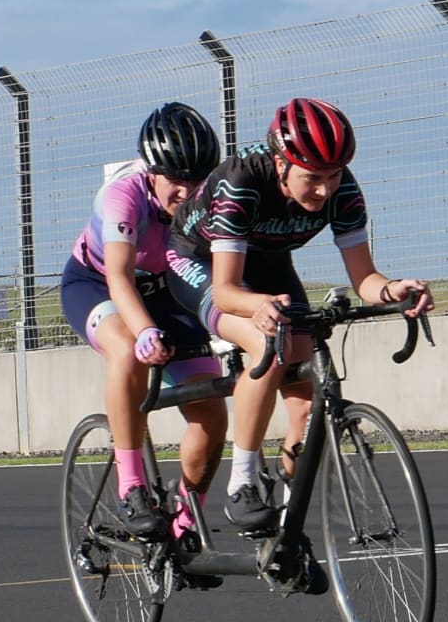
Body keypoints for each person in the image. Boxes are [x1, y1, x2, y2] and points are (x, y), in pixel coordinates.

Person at [166, 97, 434, 537]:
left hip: (269, 264)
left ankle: (287, 527)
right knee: (267, 345)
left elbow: (365, 278)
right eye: (312, 178)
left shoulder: (343, 189)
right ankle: (242, 483)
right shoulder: (241, 183)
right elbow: (228, 291)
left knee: (307, 402)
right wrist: (257, 308)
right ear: (280, 164)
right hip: (200, 262)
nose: (325, 190)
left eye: (333, 176)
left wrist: (394, 290)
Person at [60, 102, 228, 547]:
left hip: (165, 287)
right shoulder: (123, 195)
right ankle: (131, 487)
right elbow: (118, 276)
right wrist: (146, 331)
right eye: (176, 180)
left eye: (197, 181)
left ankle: (185, 524)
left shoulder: (211, 196)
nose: (187, 192)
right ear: (152, 172)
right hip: (97, 282)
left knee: (211, 410)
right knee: (127, 352)